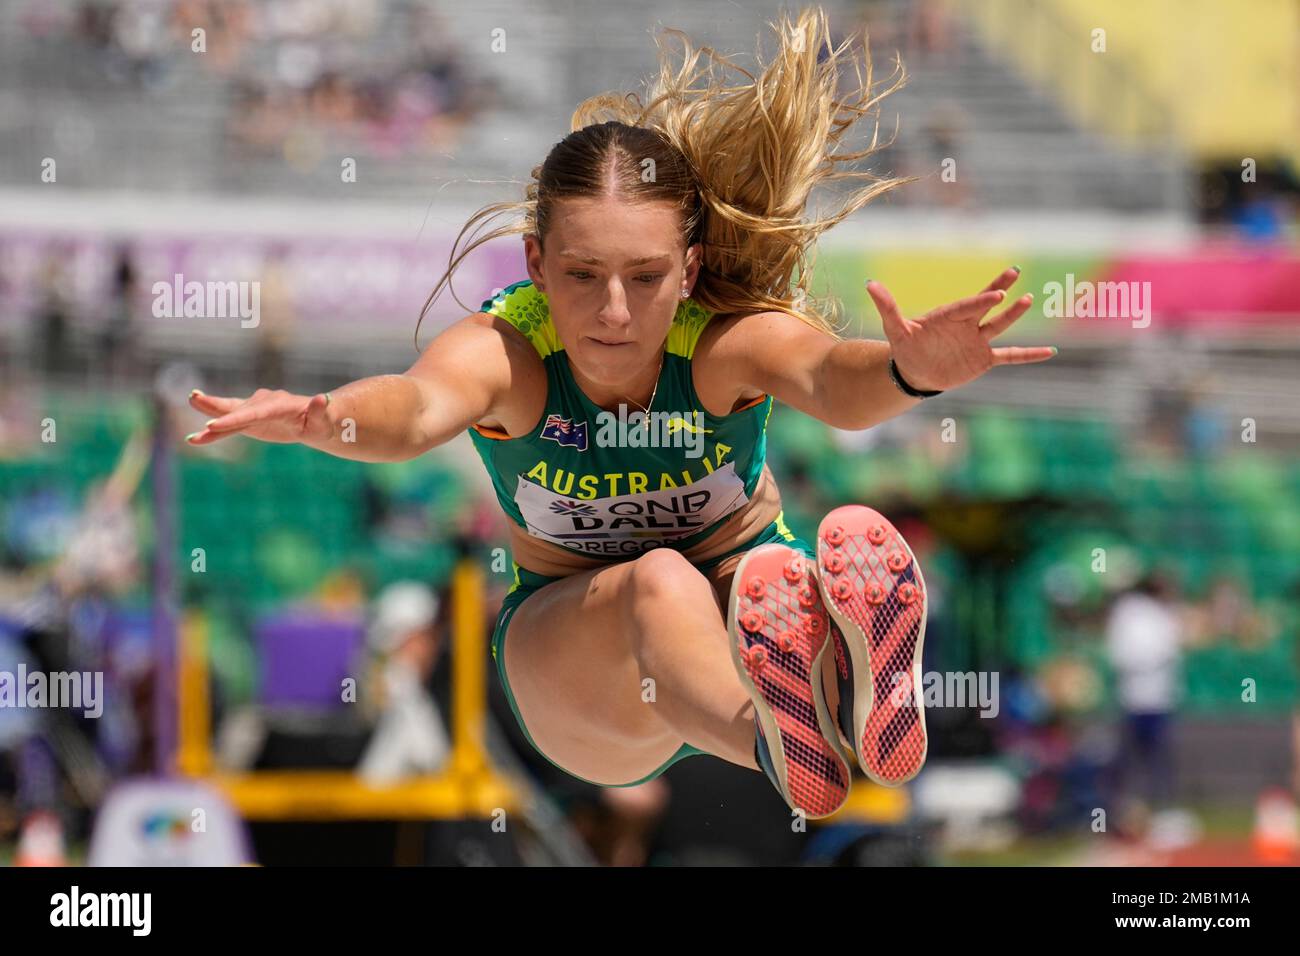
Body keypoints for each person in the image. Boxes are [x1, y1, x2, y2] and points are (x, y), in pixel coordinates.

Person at [182, 8, 1053, 818]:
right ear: (534, 260)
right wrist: (320, 416)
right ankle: (787, 740)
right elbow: (415, 410)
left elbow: (832, 380)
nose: (613, 312)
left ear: (689, 265)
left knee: (751, 567)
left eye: (645, 278)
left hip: (737, 602)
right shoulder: (511, 354)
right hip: (577, 664)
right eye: (582, 275)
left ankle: (837, 691)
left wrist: (909, 372)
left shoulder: (719, 344)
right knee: (657, 581)